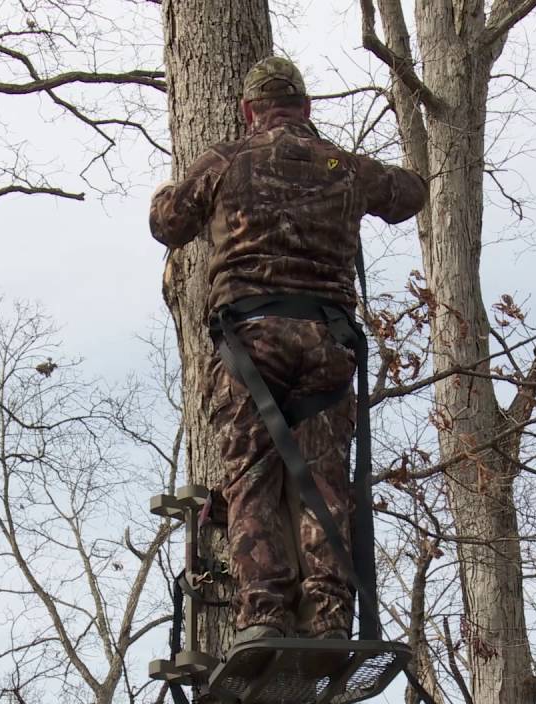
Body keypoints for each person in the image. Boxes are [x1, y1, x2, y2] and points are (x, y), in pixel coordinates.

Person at [148, 56, 428, 656]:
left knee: (252, 477)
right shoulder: (342, 166)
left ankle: (265, 613)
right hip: (327, 342)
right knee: (324, 483)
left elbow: (166, 220)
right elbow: (410, 193)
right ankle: (328, 617)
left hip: (252, 341)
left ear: (249, 110)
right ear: (304, 107)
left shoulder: (227, 160)